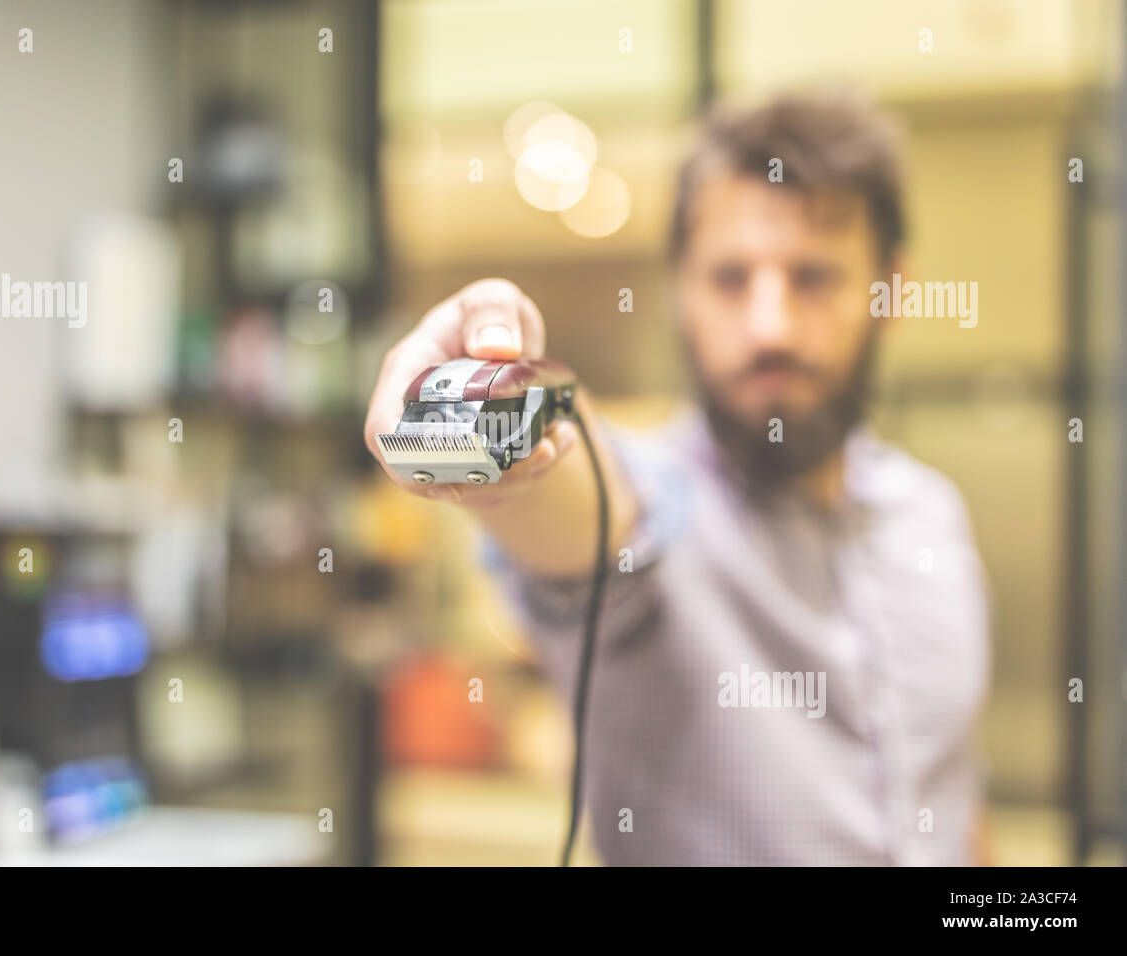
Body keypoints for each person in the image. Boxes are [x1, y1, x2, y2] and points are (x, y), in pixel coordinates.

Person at [364, 91, 991, 865]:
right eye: (731, 279)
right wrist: (486, 408)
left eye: (814, 277)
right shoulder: (655, 504)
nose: (770, 326)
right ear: (681, 295)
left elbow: (950, 797)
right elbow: (578, 495)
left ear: (890, 291)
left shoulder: (931, 516)